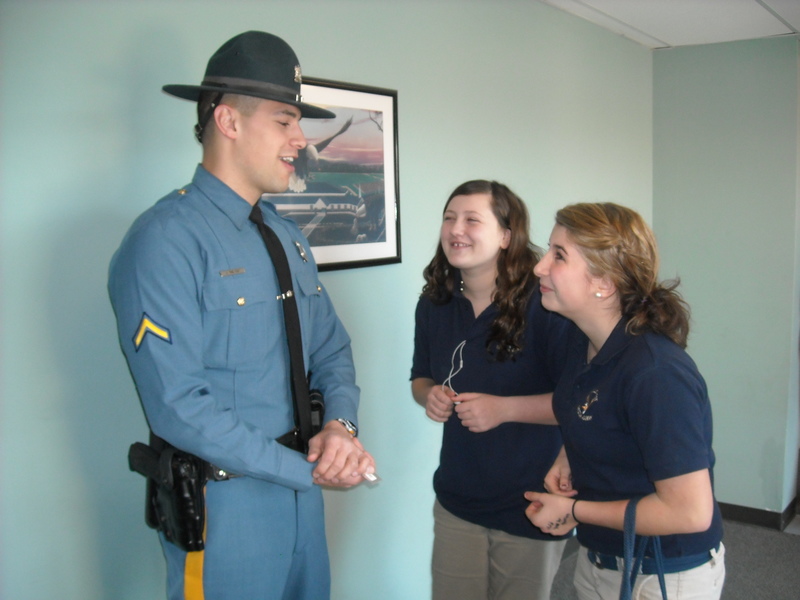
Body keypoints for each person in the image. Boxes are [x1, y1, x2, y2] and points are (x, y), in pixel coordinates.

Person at [108, 31, 375, 600]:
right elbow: (179, 407)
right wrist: (308, 470)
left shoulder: (285, 236)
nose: (300, 139)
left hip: (303, 504)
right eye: (284, 121)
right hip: (225, 511)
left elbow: (331, 348)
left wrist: (339, 428)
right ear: (228, 121)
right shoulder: (164, 241)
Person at [524, 203, 725, 599]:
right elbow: (598, 412)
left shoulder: (656, 373)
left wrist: (573, 511)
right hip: (601, 557)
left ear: (604, 282)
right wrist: (569, 455)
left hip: (663, 573)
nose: (539, 267)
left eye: (559, 255)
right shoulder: (584, 344)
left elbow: (689, 512)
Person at [410, 180, 570, 600]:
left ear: (505, 236)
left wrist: (504, 409)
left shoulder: (545, 304)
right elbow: (420, 378)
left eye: (472, 220)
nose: (456, 229)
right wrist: (430, 396)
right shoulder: (434, 304)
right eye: (449, 218)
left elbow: (579, 403)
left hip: (531, 499)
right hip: (458, 498)